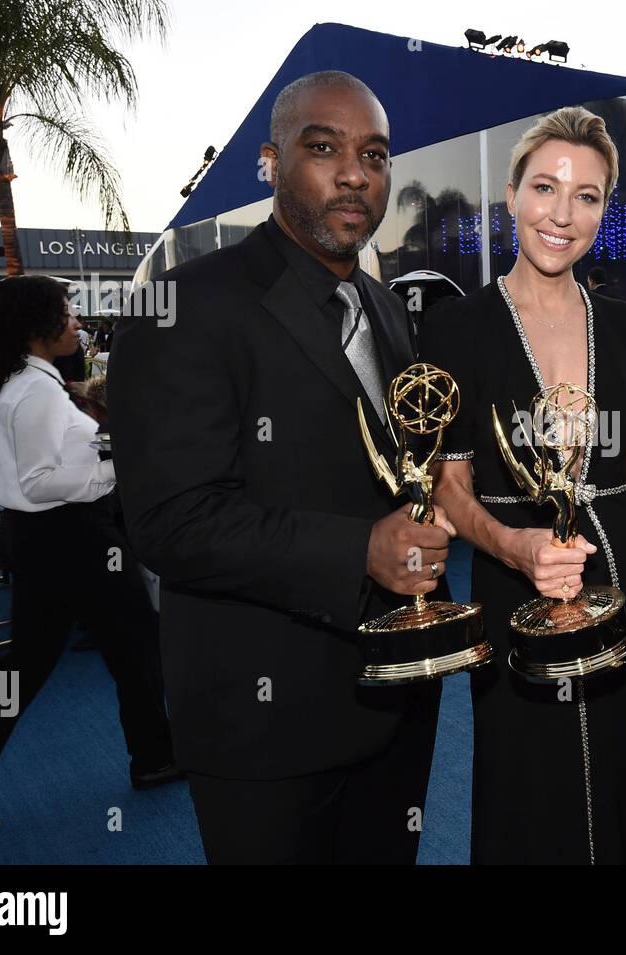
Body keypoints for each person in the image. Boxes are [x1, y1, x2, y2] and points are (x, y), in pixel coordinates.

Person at [108, 71, 448, 865]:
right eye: (322, 148)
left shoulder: (387, 306)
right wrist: (358, 547)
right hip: (263, 727)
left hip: (396, 698)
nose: (355, 173)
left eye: (375, 153)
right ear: (270, 162)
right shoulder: (184, 305)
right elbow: (171, 521)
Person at [420, 106, 626, 865]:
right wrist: (512, 545)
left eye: (587, 195)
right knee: (538, 791)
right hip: (517, 587)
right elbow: (449, 486)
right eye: (546, 188)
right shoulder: (457, 329)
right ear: (513, 196)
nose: (563, 214)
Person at [0, 276, 178, 842]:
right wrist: (117, 466)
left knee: (30, 666)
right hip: (71, 537)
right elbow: (39, 483)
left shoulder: (20, 383)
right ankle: (155, 758)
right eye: (66, 313)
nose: (78, 322)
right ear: (37, 328)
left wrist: (98, 454)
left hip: (42, 539)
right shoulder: (35, 391)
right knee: (134, 646)